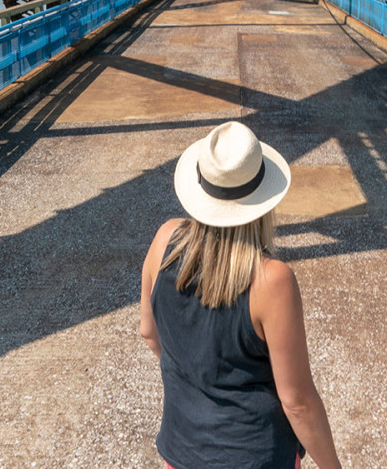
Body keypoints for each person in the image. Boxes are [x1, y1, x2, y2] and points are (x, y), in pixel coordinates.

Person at [140, 120, 343, 469]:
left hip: (181, 451)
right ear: (263, 199)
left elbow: (149, 332)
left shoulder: (164, 241)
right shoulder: (271, 281)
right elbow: (297, 402)